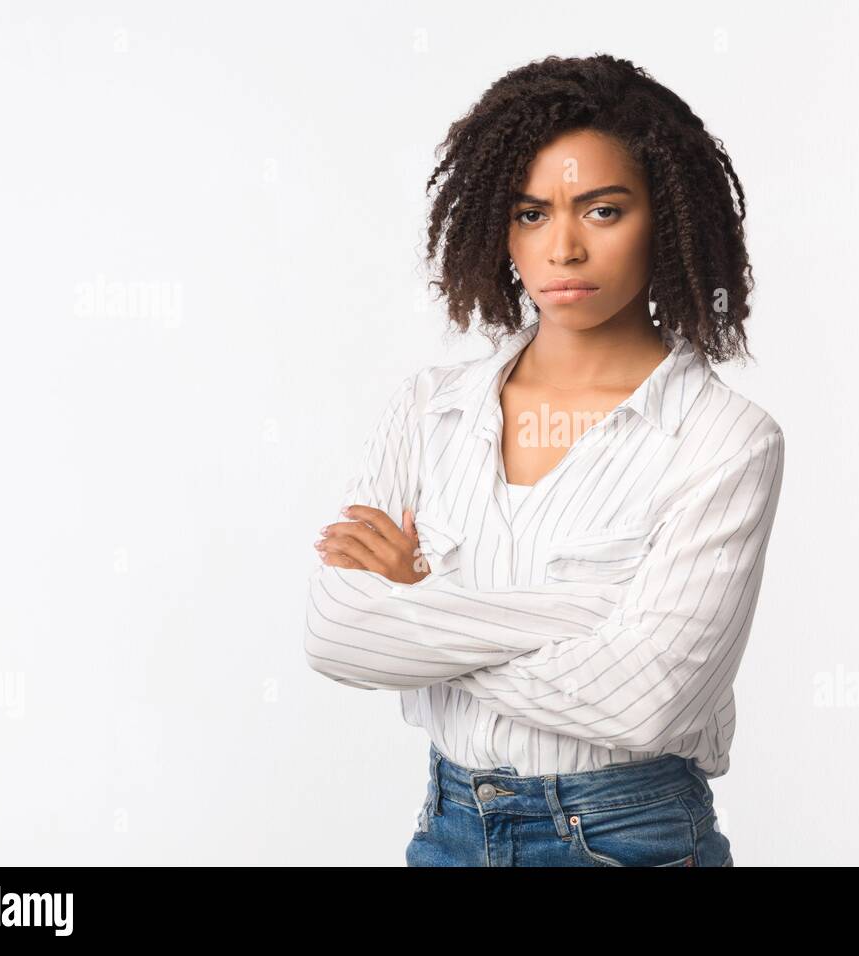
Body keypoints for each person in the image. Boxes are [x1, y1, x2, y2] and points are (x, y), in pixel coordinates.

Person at [306, 54, 784, 866]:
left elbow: (651, 701)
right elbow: (337, 632)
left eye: (602, 210)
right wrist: (582, 618)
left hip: (631, 837)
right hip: (449, 827)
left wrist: (426, 602)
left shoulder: (725, 440)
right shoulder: (428, 411)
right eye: (530, 214)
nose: (562, 248)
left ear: (663, 217)